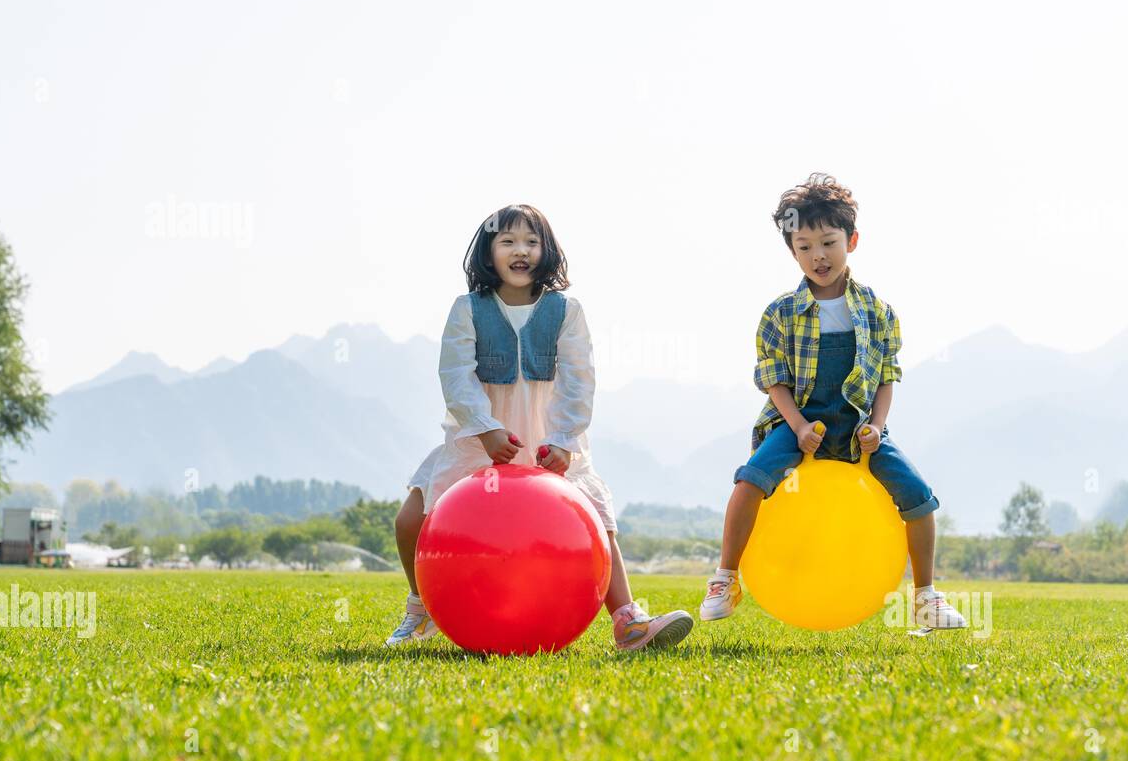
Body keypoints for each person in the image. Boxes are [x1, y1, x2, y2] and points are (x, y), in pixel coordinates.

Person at [387, 203, 694, 651]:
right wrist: (486, 428)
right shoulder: (467, 309)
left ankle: (629, 622)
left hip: (546, 437)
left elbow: (579, 379)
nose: (520, 251)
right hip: (479, 439)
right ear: (487, 252)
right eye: (507, 241)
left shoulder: (565, 310)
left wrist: (565, 440)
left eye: (532, 242)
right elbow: (455, 375)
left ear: (547, 251)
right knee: (410, 520)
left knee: (592, 518)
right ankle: (422, 607)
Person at [700, 173, 966, 630]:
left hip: (858, 426)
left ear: (852, 240)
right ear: (792, 251)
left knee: (920, 498)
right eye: (804, 246)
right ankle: (726, 577)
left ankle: (926, 596)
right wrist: (799, 426)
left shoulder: (876, 311)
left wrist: (878, 427)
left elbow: (886, 376)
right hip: (797, 423)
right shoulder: (779, 313)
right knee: (749, 482)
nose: (818, 256)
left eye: (828, 242)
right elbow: (773, 380)